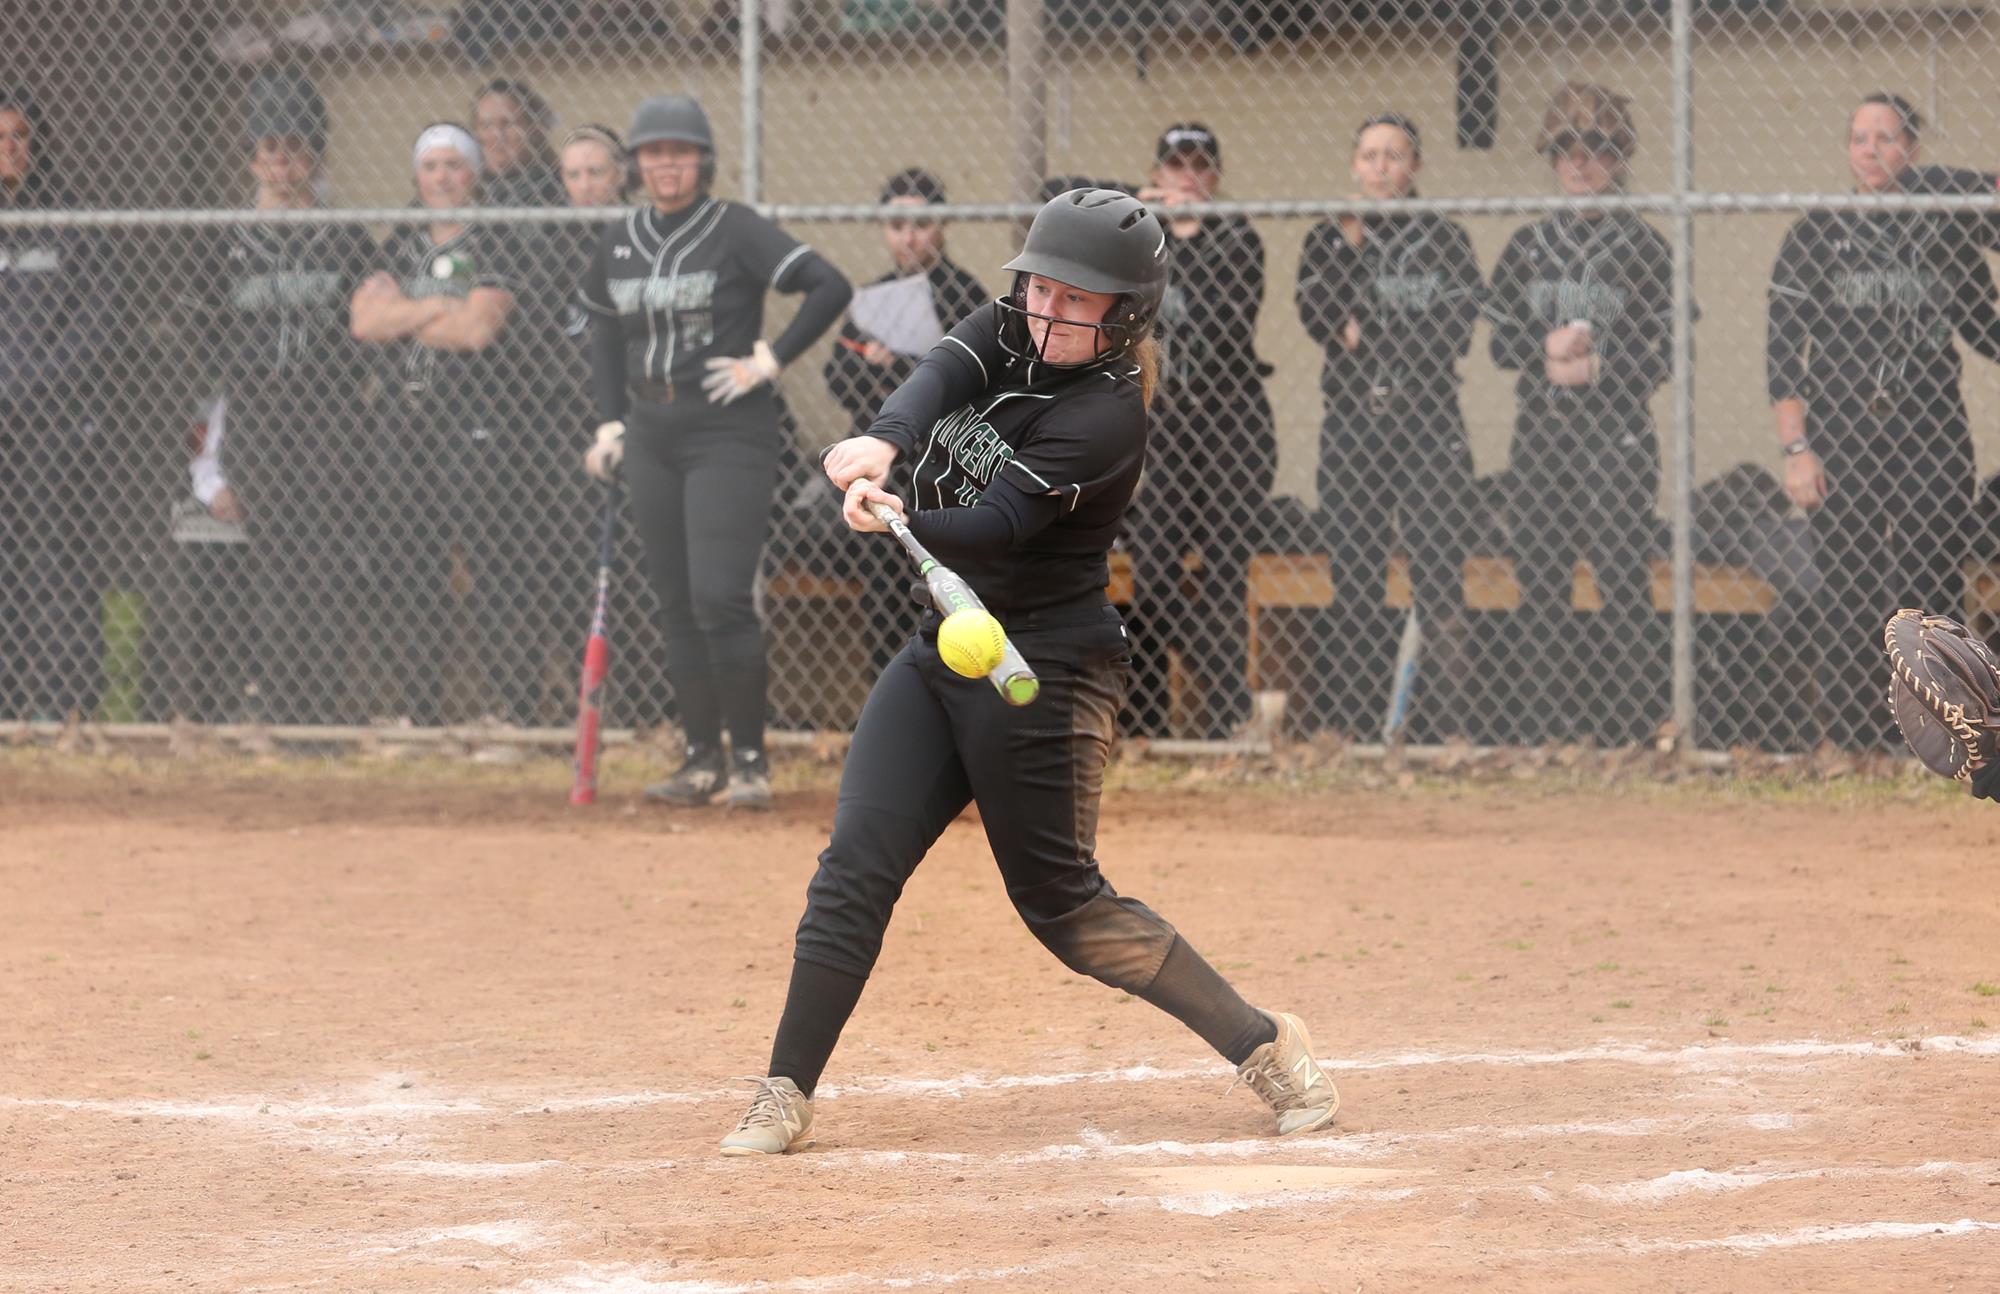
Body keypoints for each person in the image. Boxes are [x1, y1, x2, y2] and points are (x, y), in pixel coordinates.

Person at [715, 188, 1340, 1157]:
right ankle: (784, 1090)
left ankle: (1262, 1042)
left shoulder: (1106, 413)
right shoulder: (1011, 327)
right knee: (851, 871)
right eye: (1039, 288)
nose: (1046, 312)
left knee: (1063, 907)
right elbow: (942, 368)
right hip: (946, 647)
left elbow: (1002, 525)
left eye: (1075, 299)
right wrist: (884, 437)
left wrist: (900, 516)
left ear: (1125, 311)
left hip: (1042, 667)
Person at [579, 94, 852, 809]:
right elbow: (605, 338)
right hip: (650, 431)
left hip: (729, 430)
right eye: (653, 152)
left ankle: (752, 764)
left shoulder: (734, 228)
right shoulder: (619, 238)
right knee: (673, 601)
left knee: (720, 597)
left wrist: (769, 360)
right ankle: (702, 761)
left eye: (680, 150)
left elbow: (829, 285)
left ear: (702, 158)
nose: (666, 164)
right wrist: (610, 425)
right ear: (636, 164)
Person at [1766, 93, 2000, 749]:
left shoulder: (1946, 224)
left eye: (1889, 139)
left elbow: (1984, 329)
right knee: (1850, 584)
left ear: (1914, 151)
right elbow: (1783, 353)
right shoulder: (1817, 231)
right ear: (1847, 149)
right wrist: (1798, 449)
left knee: (1930, 582)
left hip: (1932, 428)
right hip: (1843, 430)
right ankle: (1853, 742)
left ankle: (1942, 742)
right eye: (1861, 139)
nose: (1873, 151)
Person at [1487, 83, 1673, 746]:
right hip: (1541, 429)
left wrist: (1603, 366)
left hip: (1616, 432)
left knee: (1622, 576)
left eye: (1594, 150)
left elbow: (1668, 349)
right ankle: (1544, 731)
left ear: (1618, 158)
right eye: (1566, 150)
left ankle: (1635, 730)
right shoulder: (1527, 244)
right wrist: (1542, 350)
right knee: (1540, 577)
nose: (1579, 164)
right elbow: (1497, 342)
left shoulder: (1647, 246)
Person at [350, 122, 543, 730]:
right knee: (409, 561)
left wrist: (405, 313)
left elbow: (478, 329)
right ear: (416, 175)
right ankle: (419, 713)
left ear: (474, 174)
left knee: (491, 558)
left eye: (453, 166)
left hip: (474, 418)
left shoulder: (498, 239)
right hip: (402, 420)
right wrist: (438, 305)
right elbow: (363, 322)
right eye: (430, 166)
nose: (441, 177)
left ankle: (510, 710)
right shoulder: (399, 240)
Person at [1297, 113, 1483, 740]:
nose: (1381, 167)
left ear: (1415, 168)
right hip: (1353, 424)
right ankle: (1355, 727)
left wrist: (1366, 331)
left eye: (1395, 156)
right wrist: (1351, 248)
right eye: (1370, 155)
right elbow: (1318, 315)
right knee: (1355, 575)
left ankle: (1448, 730)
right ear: (1354, 165)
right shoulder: (1327, 237)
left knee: (1438, 575)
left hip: (1430, 424)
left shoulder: (1447, 238)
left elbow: (1452, 335)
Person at [201, 67, 378, 724]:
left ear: (317, 155)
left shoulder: (347, 235)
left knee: (325, 562)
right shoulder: (224, 238)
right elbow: (203, 339)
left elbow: (369, 330)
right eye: (270, 148)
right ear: (251, 156)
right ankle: (280, 708)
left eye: (297, 147)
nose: (283, 161)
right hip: (260, 420)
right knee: (275, 563)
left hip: (330, 418)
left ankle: (321, 712)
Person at [1124, 123, 1276, 739]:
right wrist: (1141, 214)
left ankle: (1225, 726)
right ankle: (1205, 706)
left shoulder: (1238, 237)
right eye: (1176, 166)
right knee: (1154, 566)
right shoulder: (1138, 241)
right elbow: (1071, 194)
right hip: (1165, 419)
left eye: (1199, 167)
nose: (1188, 178)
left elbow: (1224, 328)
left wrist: (1185, 239)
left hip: (1231, 418)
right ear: (1158, 175)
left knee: (1224, 568)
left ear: (1215, 176)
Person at [822, 167, 988, 674]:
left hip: (940, 466)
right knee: (882, 588)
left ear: (941, 227)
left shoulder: (965, 294)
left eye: (919, 224)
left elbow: (974, 384)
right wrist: (871, 365)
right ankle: (887, 684)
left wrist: (898, 367)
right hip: (880, 467)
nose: (908, 237)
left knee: (942, 584)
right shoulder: (874, 296)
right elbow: (836, 371)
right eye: (896, 226)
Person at [0, 86, 111, 722]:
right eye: (2, 137)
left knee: (54, 559)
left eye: (21, 136)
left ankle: (64, 707)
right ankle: (10, 706)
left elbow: (98, 320)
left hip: (53, 422)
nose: (11, 148)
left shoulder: (71, 219)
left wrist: (32, 381)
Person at [472, 78, 565, 209]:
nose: (498, 135)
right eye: (486, 125)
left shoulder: (555, 191)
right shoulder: (466, 190)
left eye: (509, 123)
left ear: (534, 129)